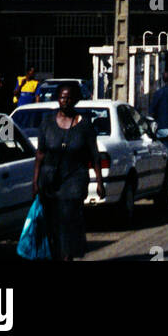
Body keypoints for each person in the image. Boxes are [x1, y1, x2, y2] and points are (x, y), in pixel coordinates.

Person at [33, 82, 104, 261]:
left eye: (69, 98)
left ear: (75, 100)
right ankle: (58, 254)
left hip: (75, 179)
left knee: (68, 218)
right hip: (50, 180)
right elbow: (40, 154)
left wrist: (99, 182)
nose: (65, 101)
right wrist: (35, 181)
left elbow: (94, 156)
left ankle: (67, 256)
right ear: (58, 99)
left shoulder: (85, 126)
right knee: (52, 221)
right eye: (62, 97)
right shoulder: (47, 123)